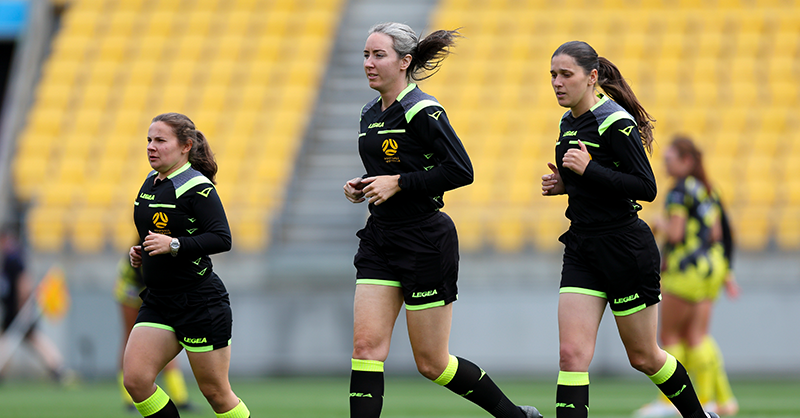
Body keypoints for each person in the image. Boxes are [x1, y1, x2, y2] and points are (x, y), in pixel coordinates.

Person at [342, 22, 541, 418]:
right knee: (365, 349)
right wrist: (363, 184)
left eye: (378, 55)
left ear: (404, 62)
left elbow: (460, 170)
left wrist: (399, 182)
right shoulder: (369, 113)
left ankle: (515, 416)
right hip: (380, 237)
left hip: (424, 240)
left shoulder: (423, 110)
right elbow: (394, 167)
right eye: (365, 55)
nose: (368, 63)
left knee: (432, 363)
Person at [540, 41, 718, 418]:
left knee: (644, 356)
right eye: (553, 75)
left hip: (624, 249)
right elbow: (594, 183)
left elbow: (645, 187)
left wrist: (590, 170)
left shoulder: (615, 121)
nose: (557, 82)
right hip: (582, 247)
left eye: (566, 74)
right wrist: (566, 185)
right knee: (571, 355)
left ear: (592, 77)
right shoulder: (566, 122)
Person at [124, 113, 249, 418]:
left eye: (160, 140)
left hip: (198, 302)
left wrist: (173, 245)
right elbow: (159, 231)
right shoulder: (151, 182)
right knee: (136, 381)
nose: (151, 146)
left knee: (217, 394)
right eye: (149, 140)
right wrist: (143, 252)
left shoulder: (197, 186)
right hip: (158, 300)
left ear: (185, 146)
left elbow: (222, 238)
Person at [635, 137, 739, 417]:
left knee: (669, 335)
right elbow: (718, 233)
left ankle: (667, 402)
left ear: (686, 161)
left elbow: (676, 234)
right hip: (710, 269)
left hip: (685, 271)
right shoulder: (708, 189)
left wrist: (660, 224)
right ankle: (713, 400)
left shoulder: (679, 191)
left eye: (669, 160)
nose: (666, 166)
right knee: (697, 336)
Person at [114, 254, 193, 411]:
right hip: (132, 289)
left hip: (154, 288)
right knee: (130, 337)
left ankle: (180, 396)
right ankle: (129, 398)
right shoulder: (143, 249)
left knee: (166, 338)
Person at [0, 225, 72, 384]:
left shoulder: (13, 257)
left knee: (31, 339)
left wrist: (23, 310)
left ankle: (58, 369)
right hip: (15, 310)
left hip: (19, 311)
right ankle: (57, 368)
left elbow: (24, 284)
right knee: (18, 340)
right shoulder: (11, 256)